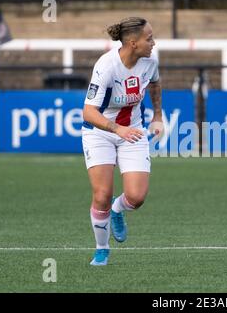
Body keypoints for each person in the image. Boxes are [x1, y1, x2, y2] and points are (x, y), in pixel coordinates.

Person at [82, 17, 163, 266]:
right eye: (149, 38)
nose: (153, 42)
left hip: (133, 131)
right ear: (132, 42)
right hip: (100, 132)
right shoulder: (106, 66)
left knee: (136, 197)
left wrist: (158, 115)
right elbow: (88, 112)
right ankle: (101, 249)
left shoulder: (150, 62)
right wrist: (117, 129)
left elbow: (156, 84)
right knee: (102, 194)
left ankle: (118, 210)